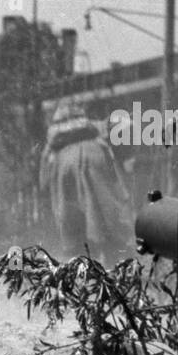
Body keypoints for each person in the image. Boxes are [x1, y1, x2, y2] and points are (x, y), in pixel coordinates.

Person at [40, 99, 133, 262]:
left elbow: (44, 178)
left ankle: (86, 266)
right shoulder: (95, 131)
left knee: (74, 221)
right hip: (95, 157)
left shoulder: (54, 145)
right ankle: (113, 261)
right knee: (106, 213)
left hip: (65, 167)